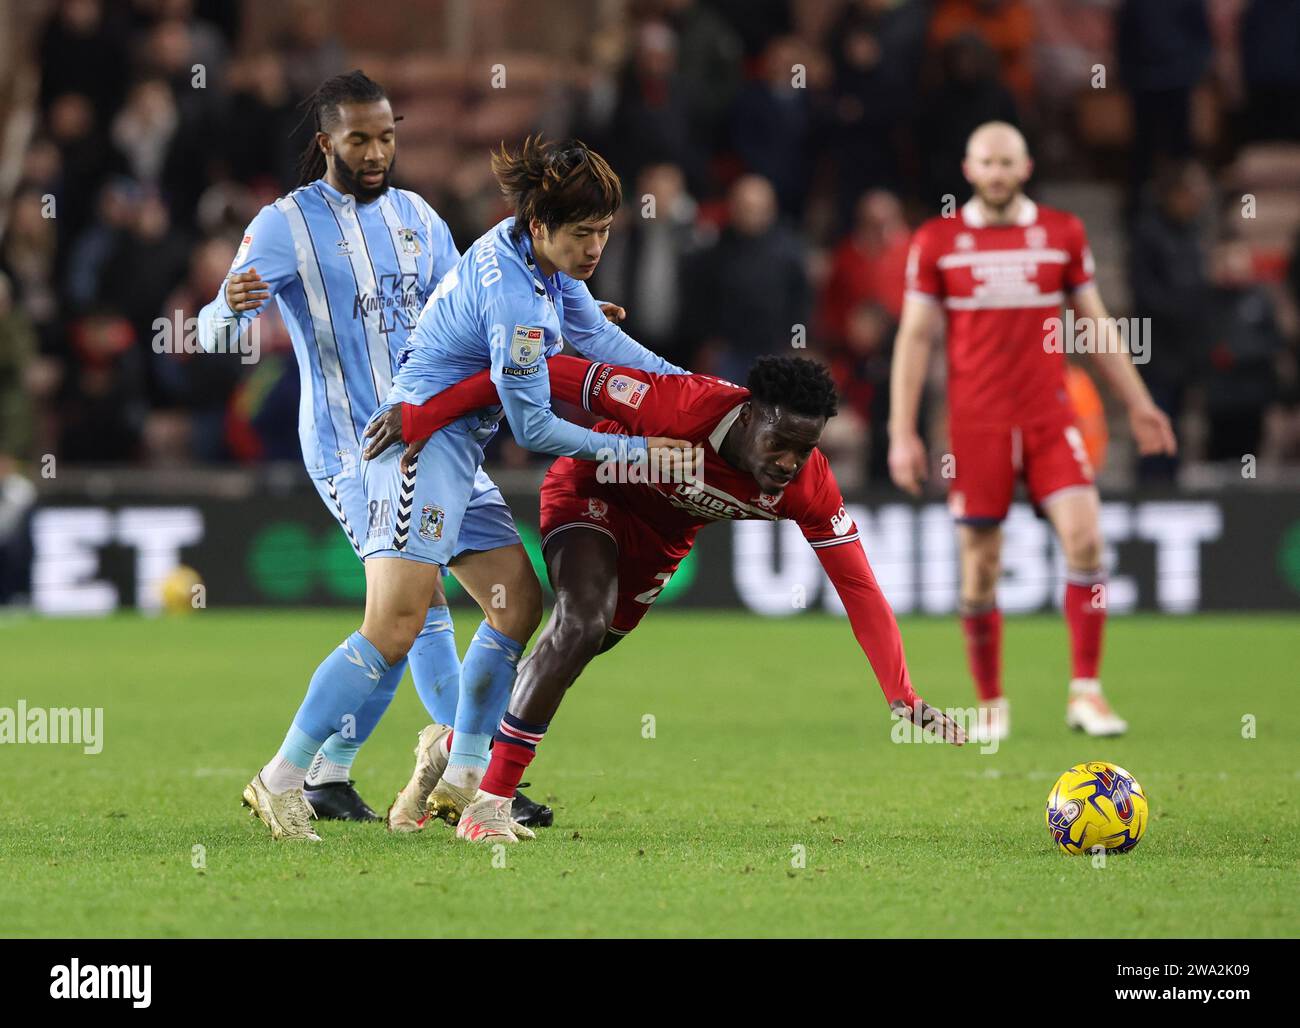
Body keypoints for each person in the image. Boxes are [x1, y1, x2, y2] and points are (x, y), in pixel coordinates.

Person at [245, 134, 692, 842]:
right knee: (394, 628)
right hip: (419, 455)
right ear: (542, 226)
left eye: (605, 231)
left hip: (455, 459)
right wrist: (636, 447)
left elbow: (607, 346)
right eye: (585, 234)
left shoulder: (540, 263)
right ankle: (282, 777)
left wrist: (699, 396)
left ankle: (462, 774)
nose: (596, 247)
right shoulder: (513, 294)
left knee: (516, 607)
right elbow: (537, 428)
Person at [364, 353, 966, 842]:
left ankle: (456, 745)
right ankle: (490, 804)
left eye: (803, 449)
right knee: (579, 623)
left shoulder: (807, 486)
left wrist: (901, 693)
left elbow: (857, 585)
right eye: (780, 441)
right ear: (752, 413)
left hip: (659, 550)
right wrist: (425, 414)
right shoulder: (680, 402)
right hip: (591, 493)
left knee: (574, 653)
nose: (788, 462)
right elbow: (540, 371)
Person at [196, 71, 532, 831]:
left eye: (386, 136)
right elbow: (212, 337)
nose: (377, 152)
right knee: (413, 615)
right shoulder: (284, 225)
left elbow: (468, 312)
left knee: (499, 601)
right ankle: (456, 772)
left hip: (438, 440)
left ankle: (387, 769)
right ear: (327, 143)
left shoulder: (419, 215)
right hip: (356, 451)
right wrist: (224, 309)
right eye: (359, 139)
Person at [887, 121, 1176, 742]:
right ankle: (991, 703)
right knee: (981, 569)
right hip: (976, 427)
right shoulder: (938, 241)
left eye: (1006, 162)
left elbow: (1094, 326)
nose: (996, 172)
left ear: (1025, 167)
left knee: (1087, 540)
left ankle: (1087, 693)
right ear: (968, 169)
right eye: (985, 162)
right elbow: (915, 336)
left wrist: (1140, 404)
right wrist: (901, 430)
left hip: (1049, 418)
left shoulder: (1061, 234)